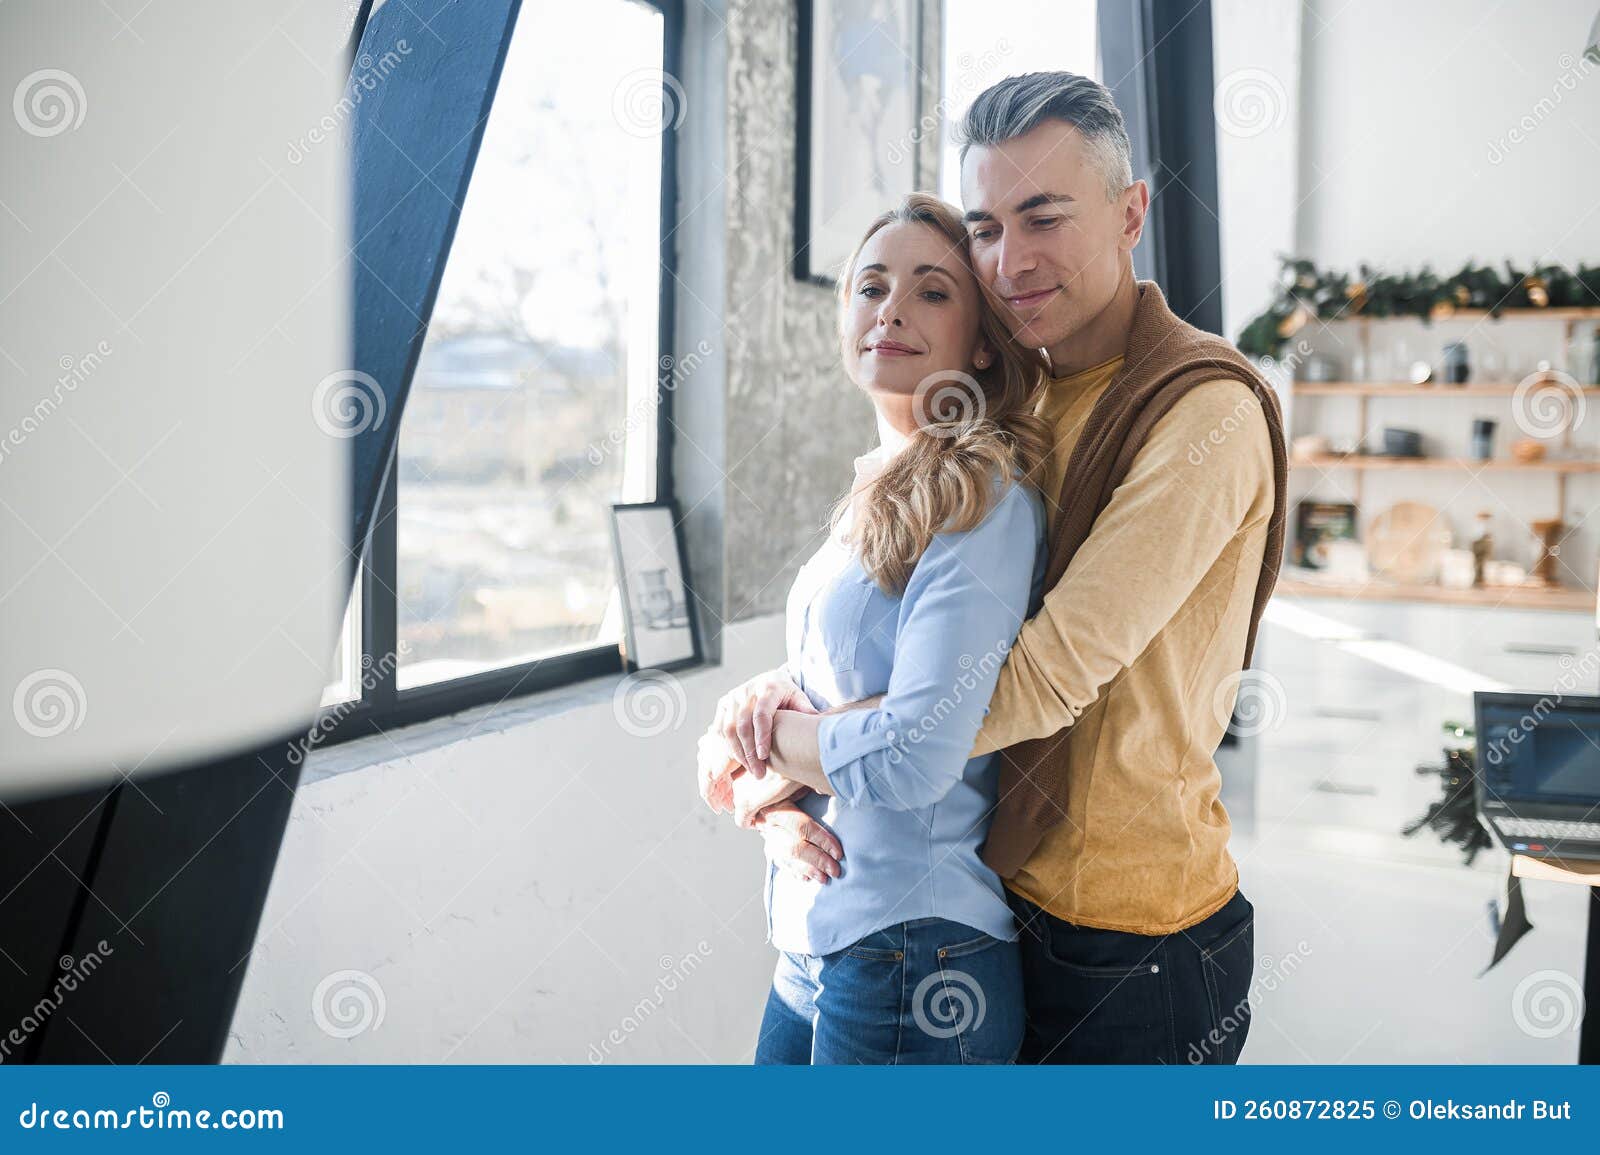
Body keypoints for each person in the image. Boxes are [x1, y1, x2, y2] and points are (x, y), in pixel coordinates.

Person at [703, 72, 1288, 1065]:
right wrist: (770, 744)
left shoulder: (1200, 413)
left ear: (1130, 211)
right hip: (1002, 904)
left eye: (1042, 218)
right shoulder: (1019, 410)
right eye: (985, 226)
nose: (1010, 260)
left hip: (1127, 934)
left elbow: (1033, 679)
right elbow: (899, 657)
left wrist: (784, 747)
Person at [697, 191, 1051, 1064]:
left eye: (932, 291)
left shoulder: (983, 497)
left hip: (916, 950)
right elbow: (803, 725)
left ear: (979, 339)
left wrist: (770, 741)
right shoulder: (871, 496)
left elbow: (915, 756)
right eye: (871, 286)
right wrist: (770, 803)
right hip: (817, 940)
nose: (890, 307)